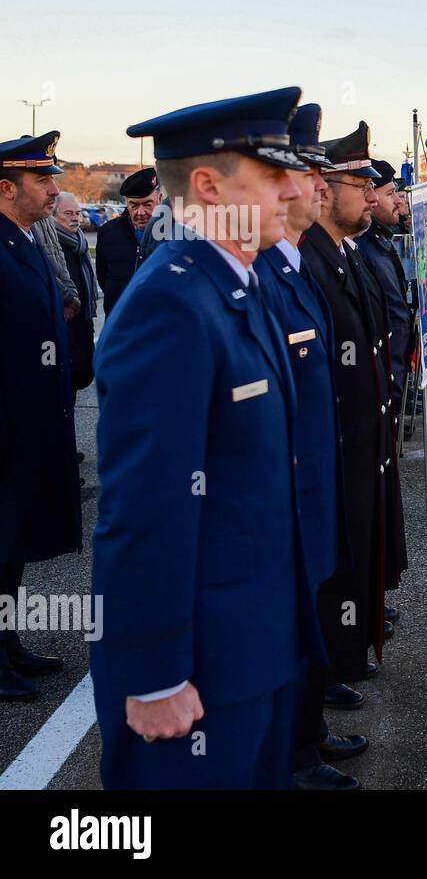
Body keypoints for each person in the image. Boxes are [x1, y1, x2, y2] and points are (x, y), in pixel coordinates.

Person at [91, 89, 323, 788]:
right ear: (207, 187)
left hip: (258, 648)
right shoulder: (171, 302)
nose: (295, 187)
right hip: (199, 674)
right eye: (271, 174)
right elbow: (144, 508)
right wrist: (155, 671)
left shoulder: (237, 287)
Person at [253, 104, 367, 790]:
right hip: (278, 511)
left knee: (305, 632)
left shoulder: (288, 269)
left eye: (315, 175)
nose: (312, 188)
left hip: (312, 497)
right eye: (298, 173)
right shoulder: (256, 275)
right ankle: (291, 754)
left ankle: (303, 740)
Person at [299, 121, 399, 706]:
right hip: (334, 445)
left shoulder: (343, 253)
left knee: (356, 550)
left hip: (360, 437)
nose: (369, 193)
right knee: (333, 560)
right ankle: (330, 663)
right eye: (358, 182)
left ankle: (344, 649)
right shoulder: (308, 260)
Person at [0, 132, 82, 702]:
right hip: (5, 428)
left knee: (12, 546)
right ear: (6, 188)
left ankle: (7, 646)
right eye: (41, 180)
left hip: (28, 425)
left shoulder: (25, 239)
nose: (53, 189)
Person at [356, 160, 415, 409]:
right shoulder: (365, 250)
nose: (399, 202)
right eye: (391, 194)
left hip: (393, 384)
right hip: (383, 387)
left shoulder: (381, 242)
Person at [95, 167, 161, 316]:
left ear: (160, 199)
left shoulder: (177, 234)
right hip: (120, 325)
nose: (141, 212)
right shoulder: (108, 233)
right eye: (134, 205)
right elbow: (103, 278)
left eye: (147, 204)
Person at [52, 191, 98, 397]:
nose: (75, 218)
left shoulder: (80, 244)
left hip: (83, 325)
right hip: (65, 327)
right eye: (68, 213)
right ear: (53, 216)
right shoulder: (53, 245)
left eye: (77, 213)